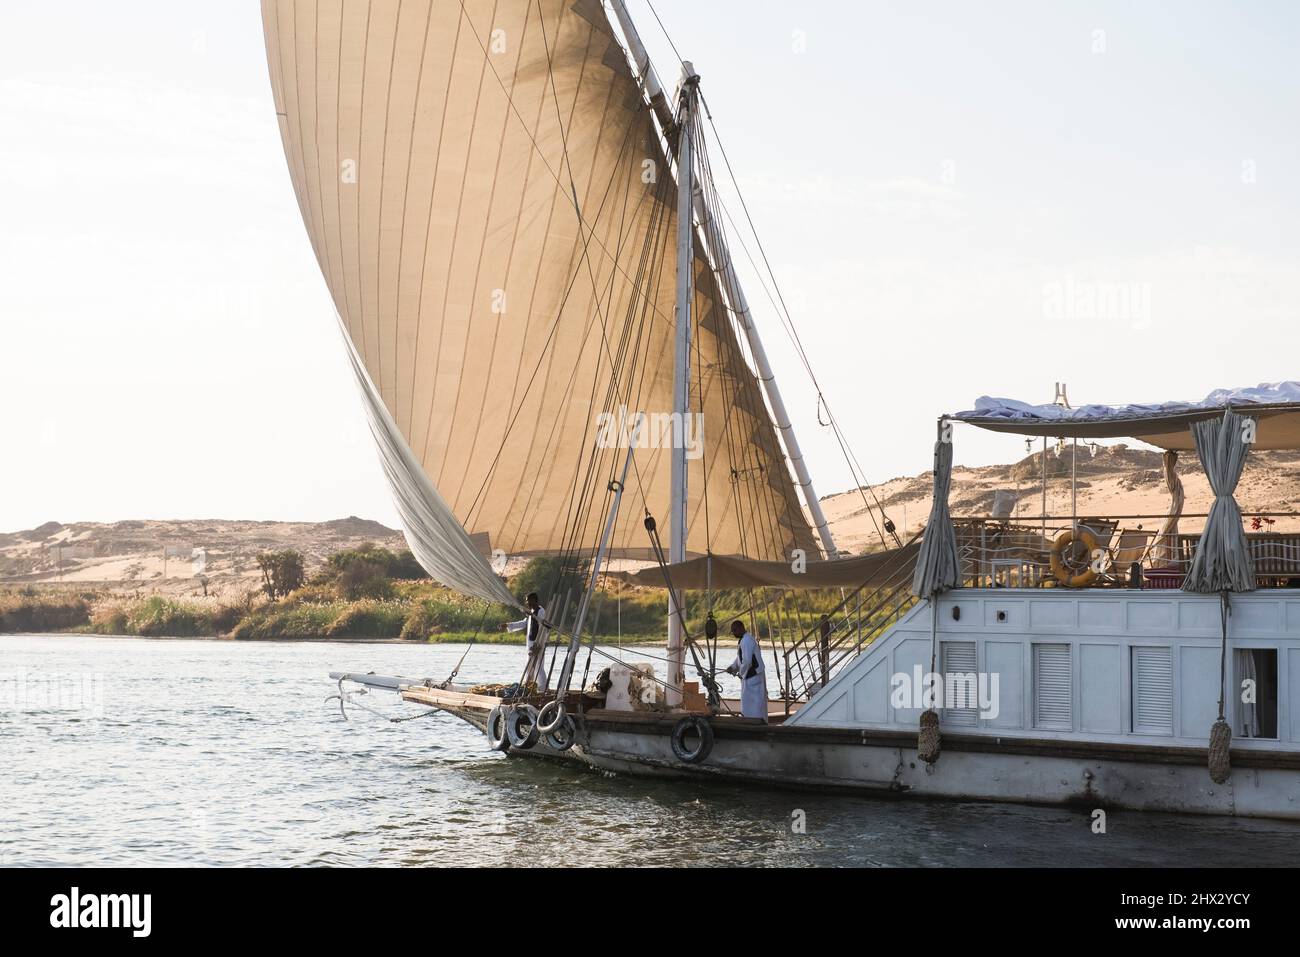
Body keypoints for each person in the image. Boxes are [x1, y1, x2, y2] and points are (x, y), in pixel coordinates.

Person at [503, 593, 549, 691]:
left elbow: (543, 628)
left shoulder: (540, 611)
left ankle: (542, 689)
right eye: (527, 601)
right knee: (529, 667)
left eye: (529, 601)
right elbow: (524, 623)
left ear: (534, 600)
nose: (527, 603)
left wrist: (539, 645)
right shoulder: (531, 612)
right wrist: (507, 625)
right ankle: (530, 688)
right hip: (531, 643)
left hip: (537, 643)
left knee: (538, 667)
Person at [724, 619, 767, 721]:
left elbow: (747, 661)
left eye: (734, 630)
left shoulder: (746, 641)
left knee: (755, 705)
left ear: (740, 628)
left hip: (753, 676)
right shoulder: (745, 639)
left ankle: (756, 724)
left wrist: (740, 673)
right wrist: (733, 667)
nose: (733, 633)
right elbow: (740, 658)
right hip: (750, 676)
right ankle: (753, 722)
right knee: (750, 704)